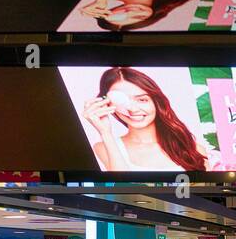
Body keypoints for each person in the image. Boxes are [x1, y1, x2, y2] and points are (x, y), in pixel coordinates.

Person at [83, 67, 213, 172]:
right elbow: (123, 187)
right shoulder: (103, 147)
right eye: (122, 101)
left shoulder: (192, 148)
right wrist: (105, 132)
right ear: (108, 104)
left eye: (142, 100)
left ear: (156, 102)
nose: (133, 109)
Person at [78, 0, 204, 32]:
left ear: (111, 10)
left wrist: (102, 0)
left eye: (123, 13)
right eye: (138, 17)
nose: (132, 11)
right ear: (150, 18)